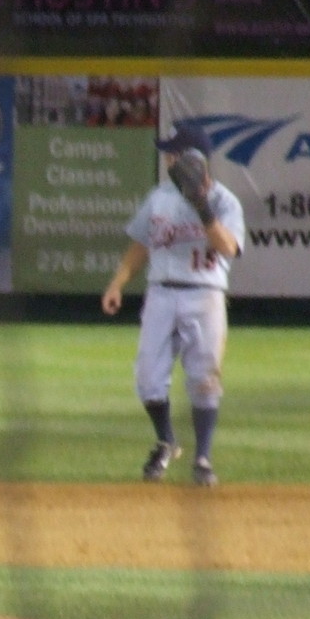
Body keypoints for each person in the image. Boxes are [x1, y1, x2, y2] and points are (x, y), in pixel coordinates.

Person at [101, 120, 245, 487]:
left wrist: (202, 207)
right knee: (148, 377)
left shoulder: (225, 202)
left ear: (191, 159)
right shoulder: (160, 198)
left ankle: (203, 458)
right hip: (161, 294)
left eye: (173, 152)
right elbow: (140, 246)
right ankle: (166, 440)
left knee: (204, 379)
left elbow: (229, 248)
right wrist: (118, 283)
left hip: (206, 295)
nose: (167, 158)